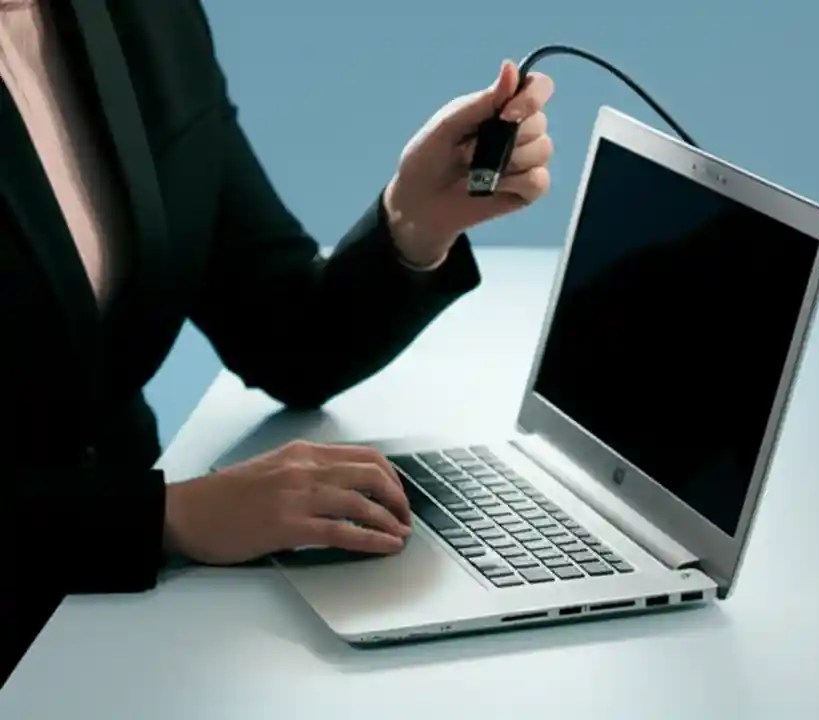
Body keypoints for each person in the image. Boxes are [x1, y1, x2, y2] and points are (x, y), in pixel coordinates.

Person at [0, 0, 555, 682]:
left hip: (119, 626)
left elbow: (282, 332)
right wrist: (166, 518)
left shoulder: (144, 17)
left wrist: (414, 220)